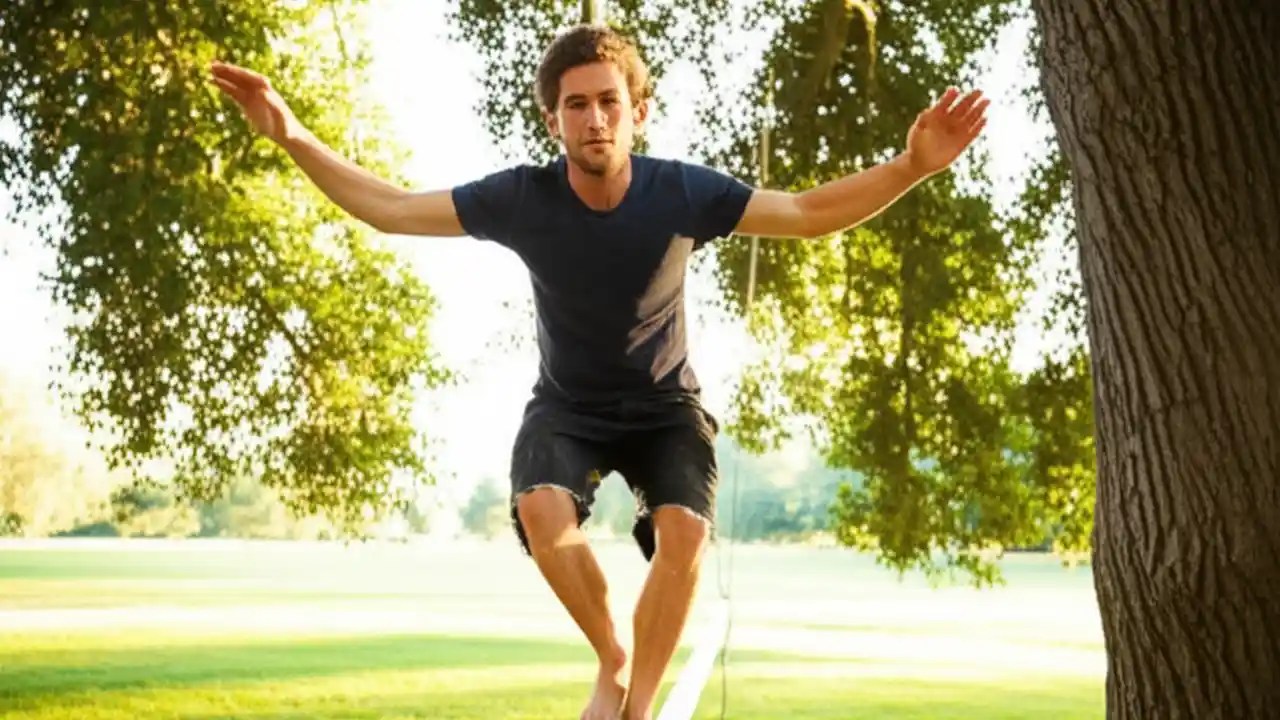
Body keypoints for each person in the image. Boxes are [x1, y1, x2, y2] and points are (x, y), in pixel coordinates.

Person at [210, 22, 987, 720]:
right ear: (554, 120)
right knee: (546, 513)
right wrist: (291, 136)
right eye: (576, 105)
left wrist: (912, 167)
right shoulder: (522, 197)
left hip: (665, 408)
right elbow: (391, 209)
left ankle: (637, 706)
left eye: (609, 101)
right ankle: (612, 662)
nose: (595, 118)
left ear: (637, 111)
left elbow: (806, 213)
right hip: (568, 409)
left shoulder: (680, 191)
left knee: (683, 533)